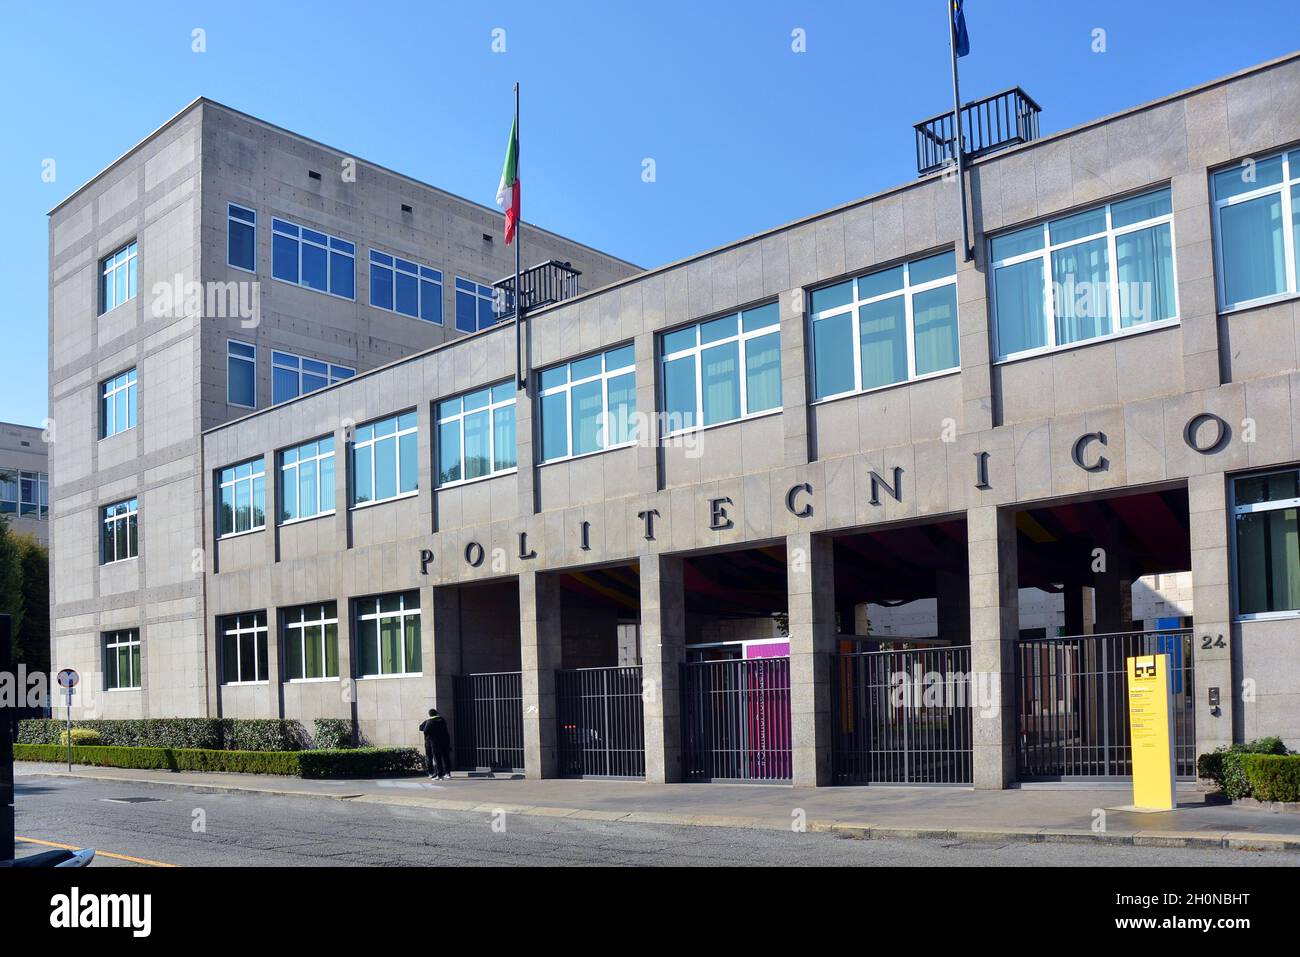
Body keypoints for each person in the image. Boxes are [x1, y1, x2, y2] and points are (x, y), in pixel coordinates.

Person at [418, 708, 453, 780]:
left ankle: (439, 775)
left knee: (438, 759)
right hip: (445, 742)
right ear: (436, 713)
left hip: (435, 743)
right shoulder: (442, 720)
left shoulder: (429, 721)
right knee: (446, 758)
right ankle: (448, 773)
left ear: (429, 714)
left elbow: (425, 731)